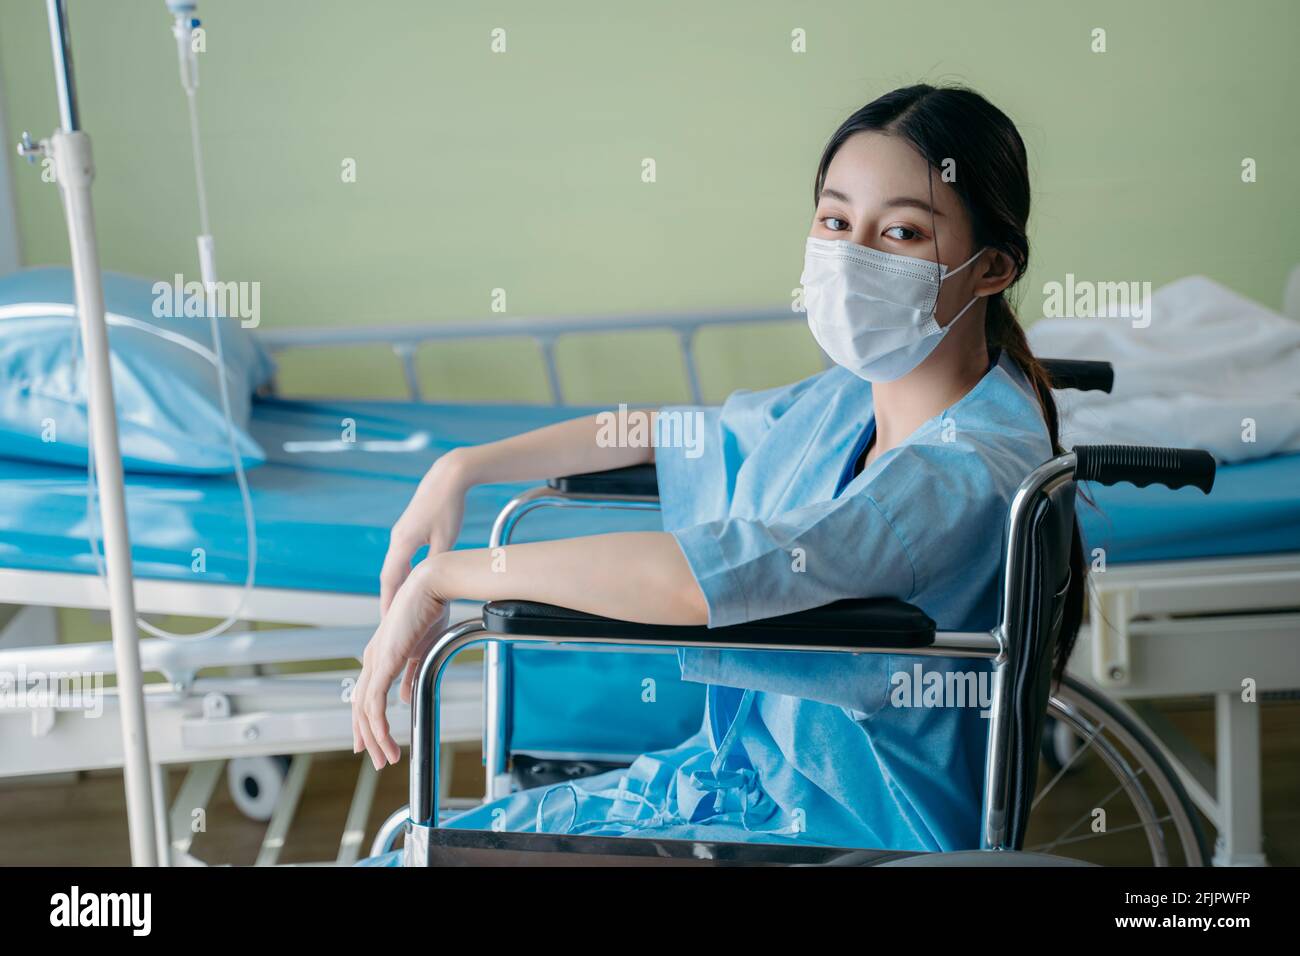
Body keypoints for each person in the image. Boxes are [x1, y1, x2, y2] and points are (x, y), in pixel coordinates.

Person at [352, 83, 1085, 857]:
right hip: (736, 788)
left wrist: (447, 578)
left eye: (900, 232)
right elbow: (658, 433)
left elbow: (689, 582)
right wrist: (465, 466)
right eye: (837, 222)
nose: (853, 255)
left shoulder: (957, 473)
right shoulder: (844, 405)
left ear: (991, 267)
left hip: (841, 833)